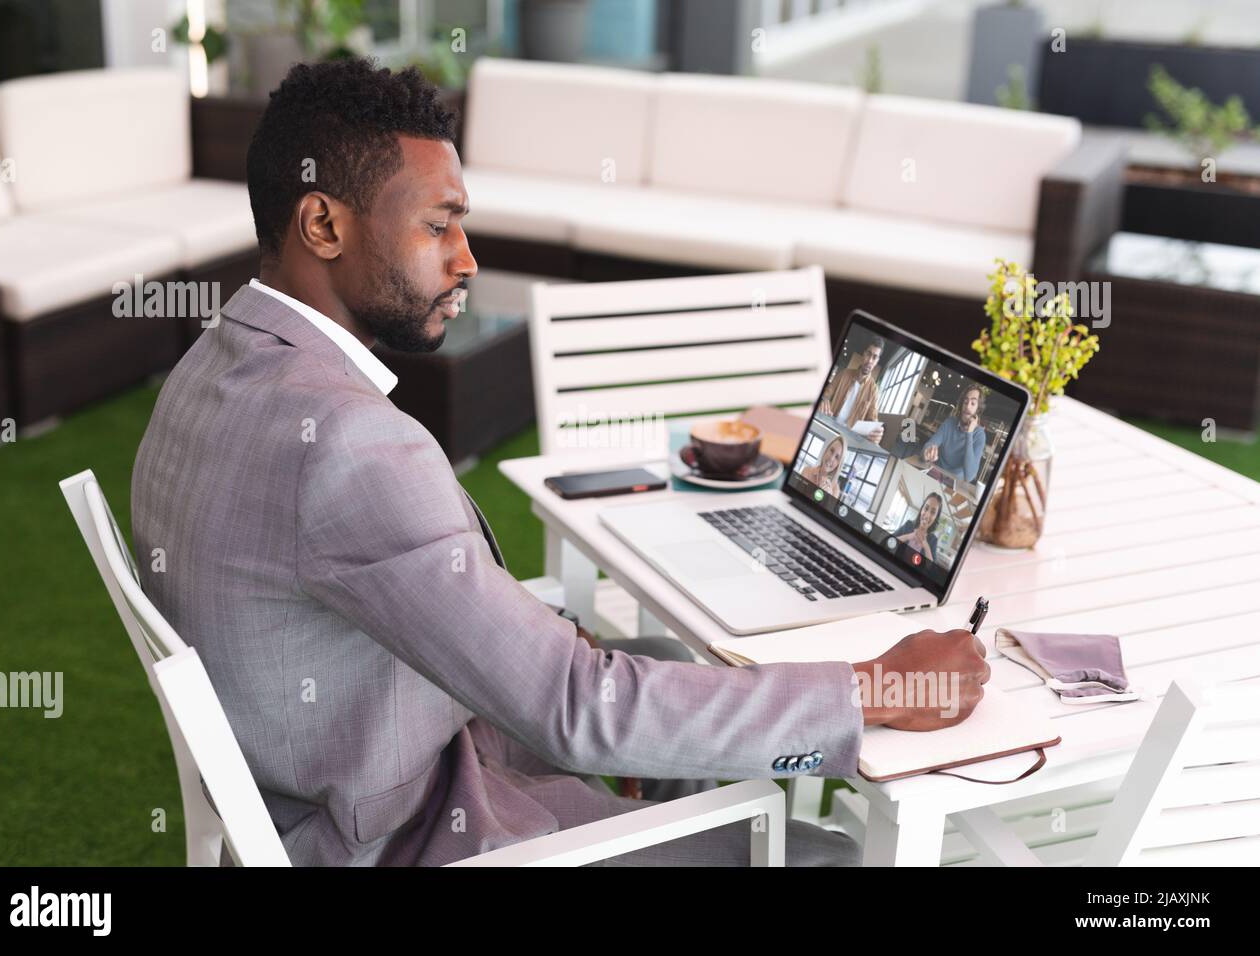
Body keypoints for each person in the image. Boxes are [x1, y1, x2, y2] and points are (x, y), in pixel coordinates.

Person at [130, 59, 991, 867]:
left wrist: (542, 651)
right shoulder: (349, 444)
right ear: (324, 224)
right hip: (409, 832)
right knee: (819, 857)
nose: (466, 259)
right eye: (438, 225)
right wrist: (877, 685)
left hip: (324, 770)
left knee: (659, 653)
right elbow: (581, 711)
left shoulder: (209, 367)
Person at [818, 336, 885, 443]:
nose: (870, 361)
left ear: (877, 361)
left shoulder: (874, 391)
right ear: (864, 353)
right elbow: (827, 392)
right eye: (868, 354)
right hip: (828, 426)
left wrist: (876, 432)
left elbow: (872, 418)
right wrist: (824, 399)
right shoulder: (844, 374)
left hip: (848, 439)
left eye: (874, 357)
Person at [921, 384, 986, 482]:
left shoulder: (980, 435)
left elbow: (969, 476)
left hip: (955, 482)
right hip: (936, 474)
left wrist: (969, 434)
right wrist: (927, 451)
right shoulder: (949, 422)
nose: (967, 406)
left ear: (978, 410)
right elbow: (930, 444)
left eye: (973, 403)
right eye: (965, 401)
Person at [895, 492, 943, 563]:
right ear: (922, 509)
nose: (927, 515)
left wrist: (926, 547)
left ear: (936, 517)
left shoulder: (933, 540)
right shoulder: (908, 525)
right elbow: (889, 540)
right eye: (926, 508)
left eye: (933, 512)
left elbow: (931, 569)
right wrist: (908, 536)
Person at [800, 434, 847, 499]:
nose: (831, 458)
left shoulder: (835, 490)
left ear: (838, 464)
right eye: (831, 450)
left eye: (837, 457)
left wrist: (827, 499)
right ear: (826, 450)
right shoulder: (807, 471)